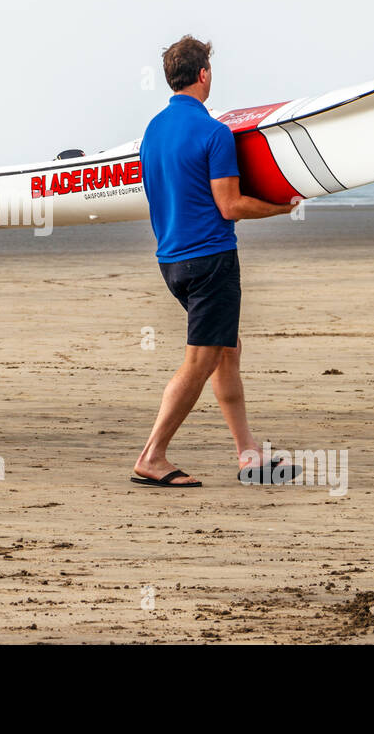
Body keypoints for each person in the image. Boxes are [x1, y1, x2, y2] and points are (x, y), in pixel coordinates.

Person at [132, 36, 300, 488]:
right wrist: (280, 207)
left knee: (228, 350)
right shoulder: (214, 132)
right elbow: (230, 205)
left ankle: (249, 455)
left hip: (171, 260)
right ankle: (152, 456)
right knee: (201, 360)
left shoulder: (153, 130)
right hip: (210, 260)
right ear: (204, 74)